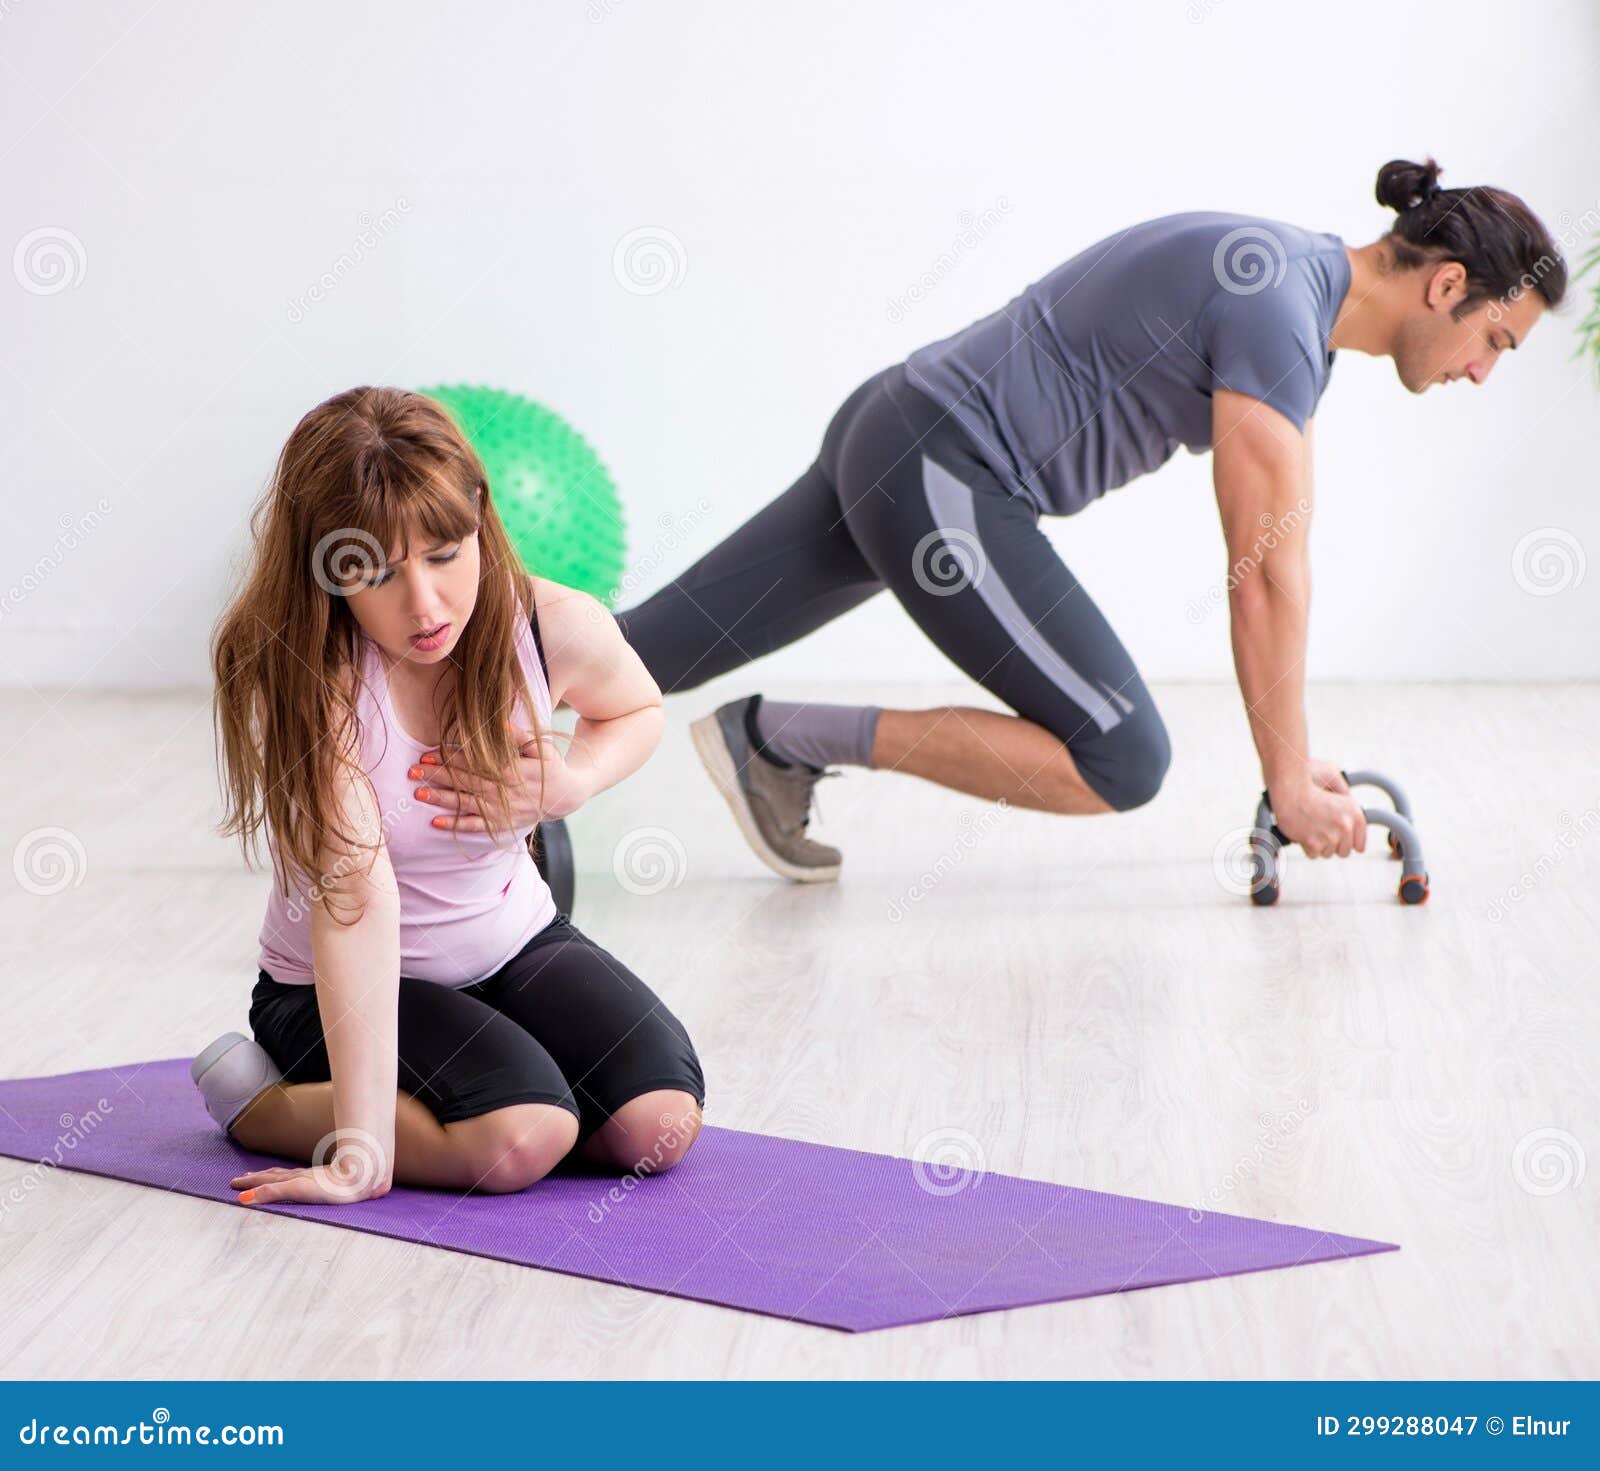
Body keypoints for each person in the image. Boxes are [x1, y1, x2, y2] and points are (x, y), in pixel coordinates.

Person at [613, 157, 1568, 882]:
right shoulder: (1278, 305)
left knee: (629, 657)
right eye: (1493, 341)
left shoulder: (1290, 289)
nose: (1481, 371)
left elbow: (1283, 550)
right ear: (1448, 285)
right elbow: (1266, 569)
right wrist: (1284, 778)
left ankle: (482, 710)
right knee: (1123, 754)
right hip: (942, 467)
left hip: (897, 429)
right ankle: (777, 738)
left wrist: (1293, 757)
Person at [194, 387, 705, 1208]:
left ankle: (492, 1086)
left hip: (511, 942)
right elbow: (357, 895)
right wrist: (361, 1151)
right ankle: (264, 1105)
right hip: (336, 988)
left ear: (479, 512)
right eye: (381, 573)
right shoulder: (310, 678)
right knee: (522, 1136)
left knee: (659, 1126)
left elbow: (637, 709)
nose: (426, 606)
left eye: (444, 552)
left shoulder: (548, 623)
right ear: (328, 570)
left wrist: (568, 783)